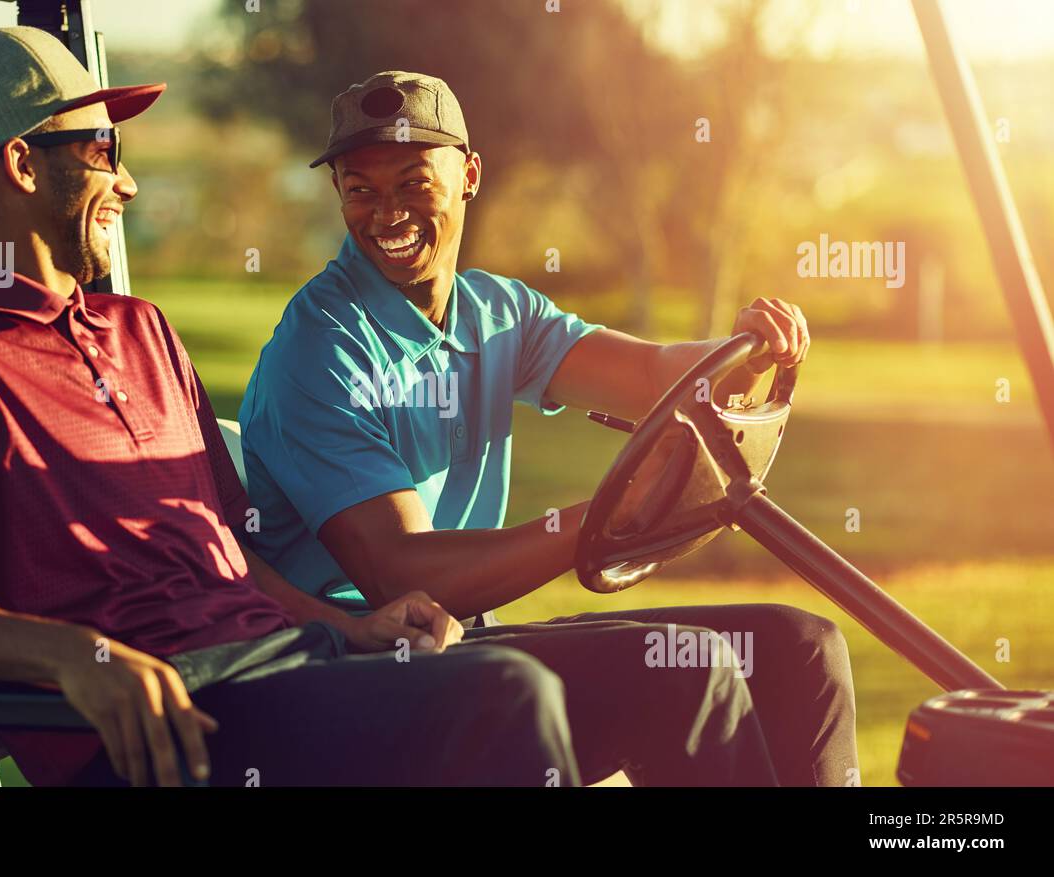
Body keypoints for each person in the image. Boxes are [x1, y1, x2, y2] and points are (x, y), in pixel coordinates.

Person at [0, 28, 583, 788]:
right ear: (22, 163)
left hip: (282, 668)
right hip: (169, 727)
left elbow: (232, 556)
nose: (126, 184)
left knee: (562, 672)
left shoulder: (143, 333)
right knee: (506, 698)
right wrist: (74, 657)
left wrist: (353, 629)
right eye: (103, 150)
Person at [239, 71, 860, 786]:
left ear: (468, 175)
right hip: (360, 665)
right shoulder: (320, 348)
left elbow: (658, 374)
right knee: (684, 673)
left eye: (413, 183)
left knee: (800, 647)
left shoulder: (495, 312)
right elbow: (397, 574)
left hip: (464, 641)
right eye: (360, 190)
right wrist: (596, 520)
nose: (387, 214)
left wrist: (747, 354)